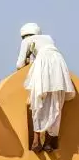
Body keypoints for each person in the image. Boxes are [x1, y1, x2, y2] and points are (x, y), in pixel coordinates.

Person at [16, 22, 75, 152]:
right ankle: (48, 142)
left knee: (38, 101)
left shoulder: (27, 41)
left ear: (23, 35)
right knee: (56, 103)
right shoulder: (48, 39)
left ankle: (36, 140)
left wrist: (26, 60)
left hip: (42, 66)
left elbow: (19, 64)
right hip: (59, 64)